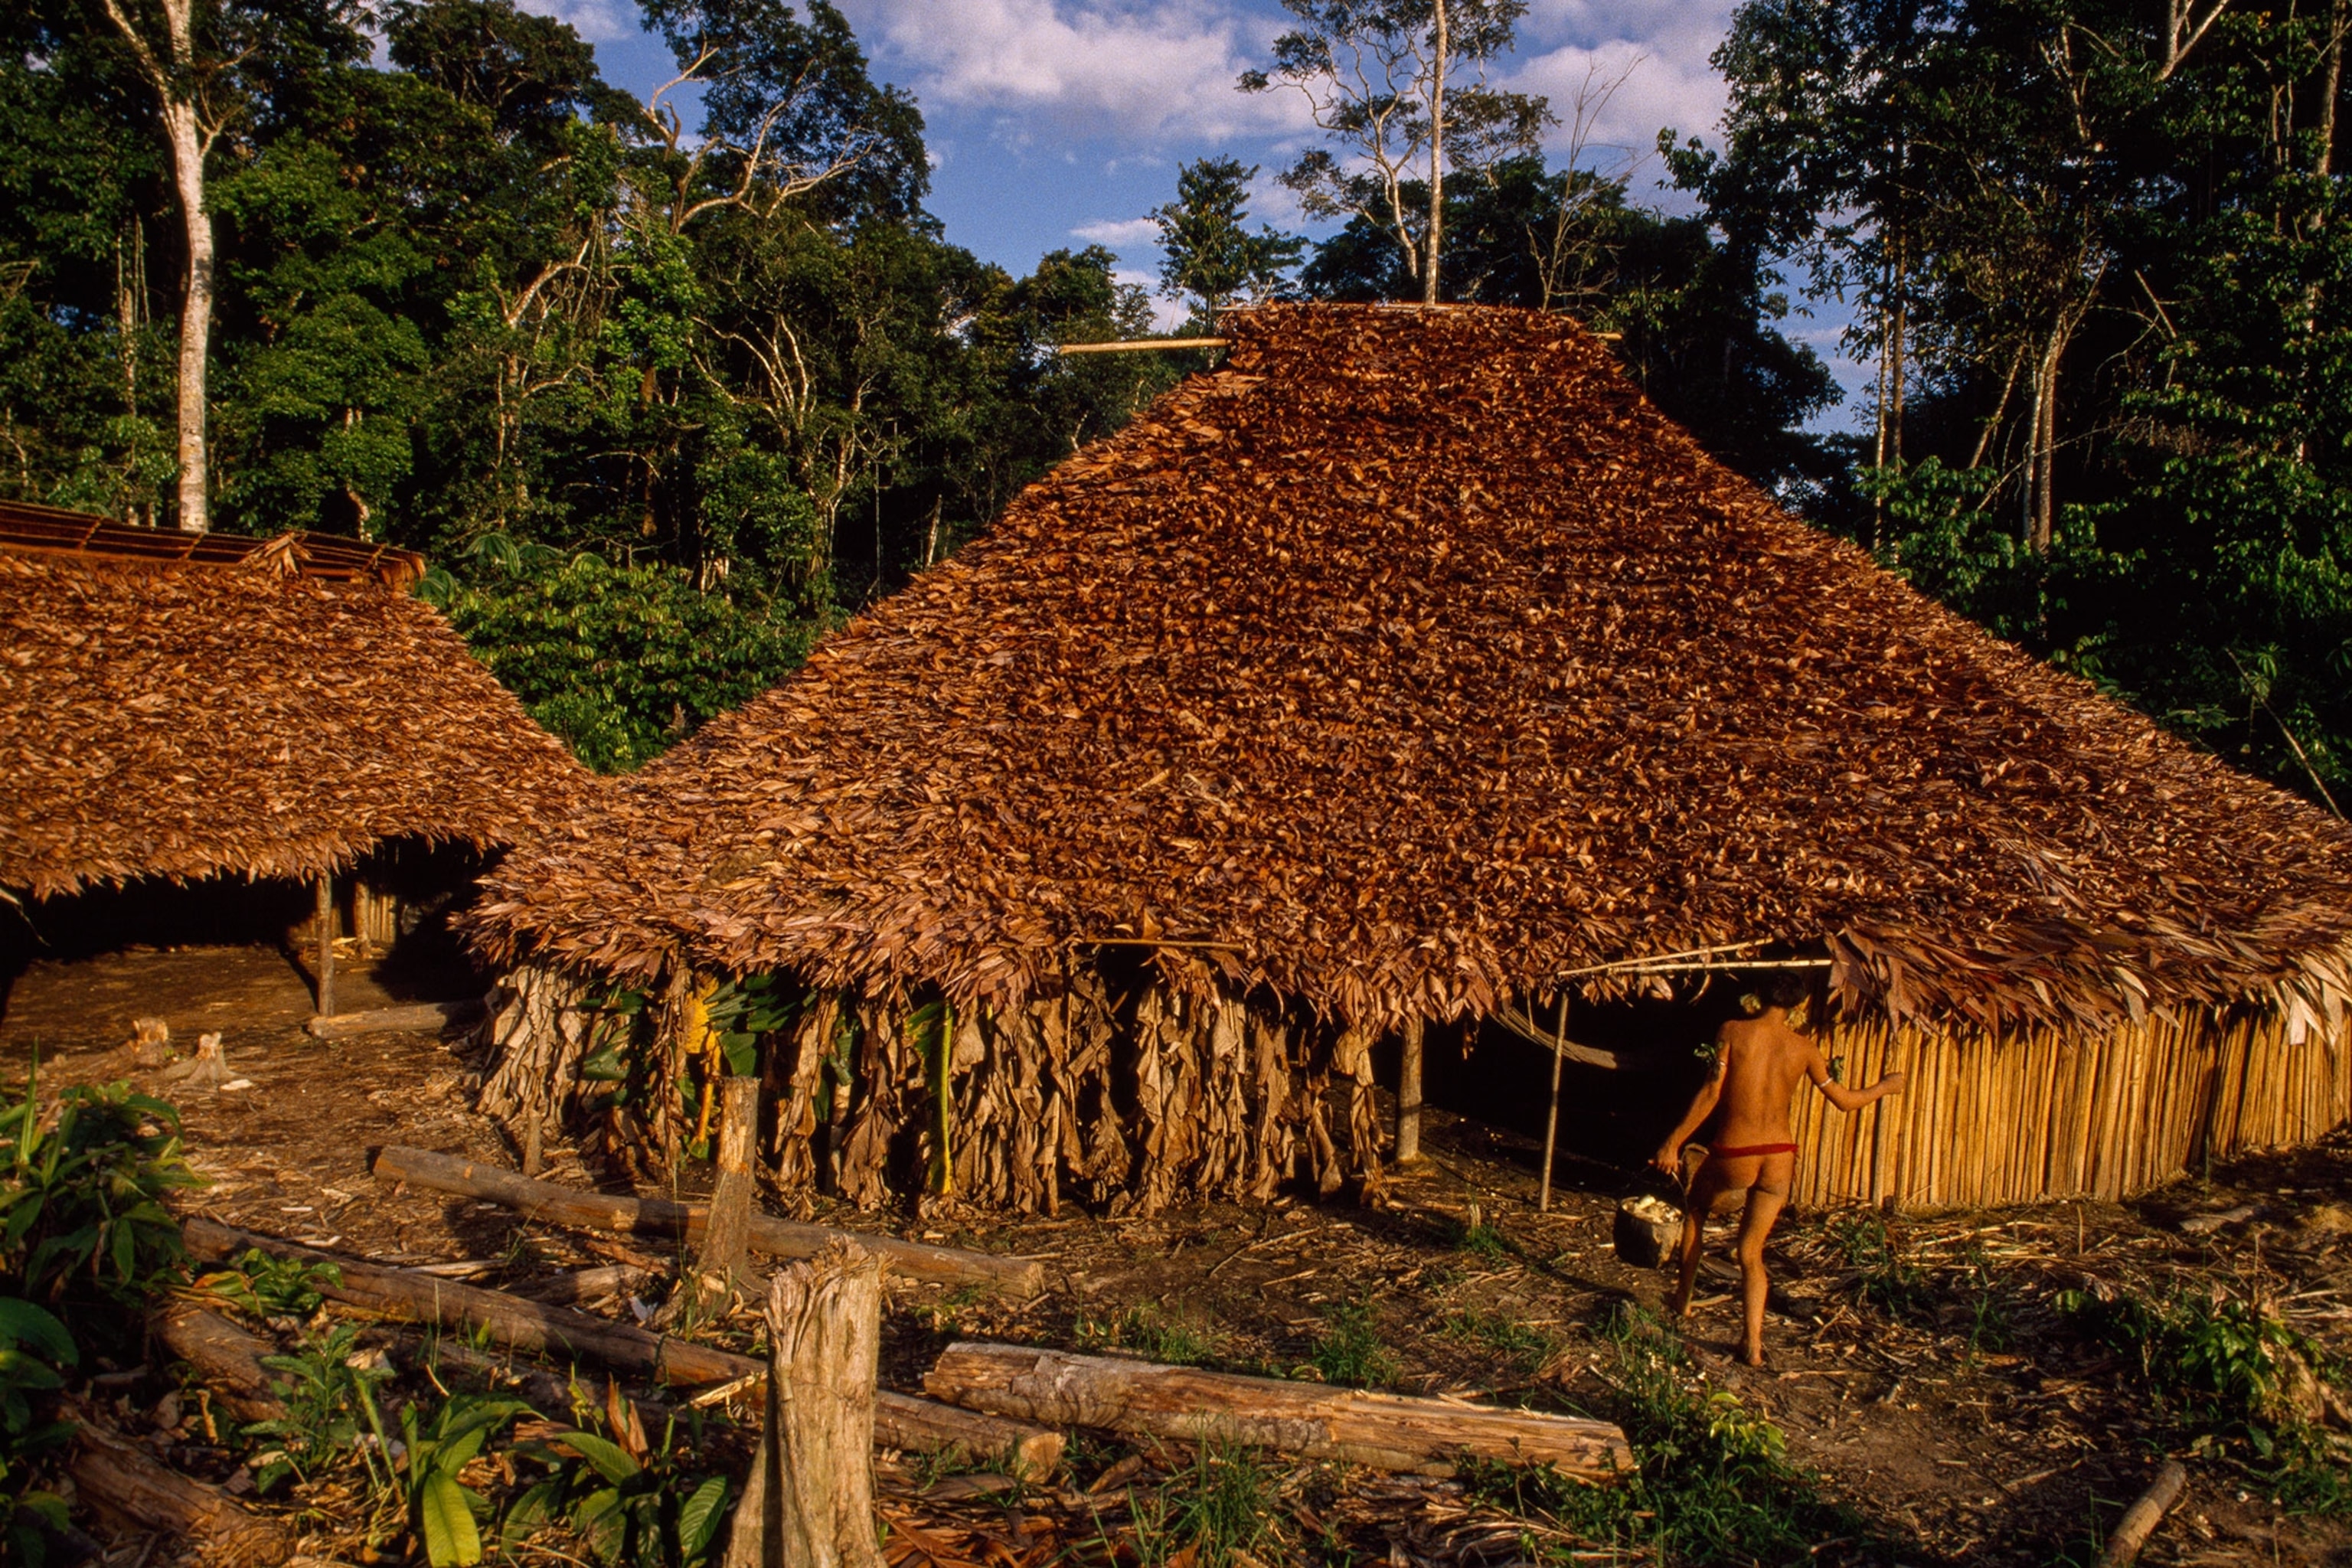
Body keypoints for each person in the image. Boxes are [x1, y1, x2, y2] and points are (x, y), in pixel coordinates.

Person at [1650, 973, 1906, 1367]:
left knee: (1697, 1211)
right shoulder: (1805, 1048)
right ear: (1798, 1004)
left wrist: (1673, 1143)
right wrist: (1884, 1087)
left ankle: (1683, 1298)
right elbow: (1844, 1101)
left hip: (1738, 1150)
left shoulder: (1733, 1031)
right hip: (1781, 1156)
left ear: (1757, 995)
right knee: (1751, 1252)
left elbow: (1712, 1091)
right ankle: (1752, 1343)